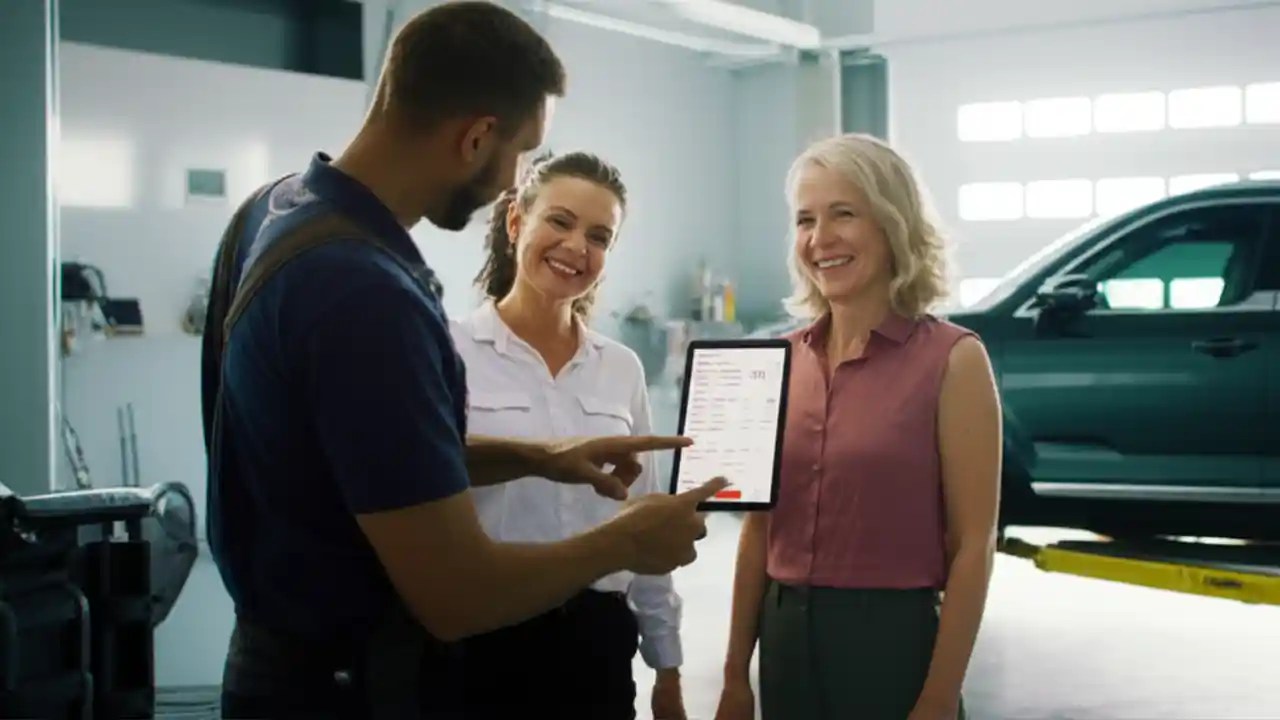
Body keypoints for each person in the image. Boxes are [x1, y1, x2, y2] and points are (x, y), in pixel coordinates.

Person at [199, 3, 726, 718]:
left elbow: (372, 458)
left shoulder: (277, 208)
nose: (513, 176)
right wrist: (627, 536)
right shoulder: (367, 294)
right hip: (340, 687)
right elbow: (457, 595)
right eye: (519, 155)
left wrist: (539, 457)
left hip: (281, 666)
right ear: (477, 138)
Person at [713, 133, 1002, 720]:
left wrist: (940, 697)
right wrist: (734, 678)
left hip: (893, 645)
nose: (820, 240)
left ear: (893, 224)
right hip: (784, 636)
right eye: (805, 220)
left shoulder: (954, 360)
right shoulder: (775, 362)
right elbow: (757, 534)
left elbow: (974, 546)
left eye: (843, 213)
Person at [450, 151, 687, 720]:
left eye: (599, 236)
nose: (578, 247)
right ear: (516, 223)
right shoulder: (447, 350)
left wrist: (667, 667)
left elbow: (645, 524)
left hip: (595, 647)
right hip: (480, 641)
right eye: (560, 221)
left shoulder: (621, 368)